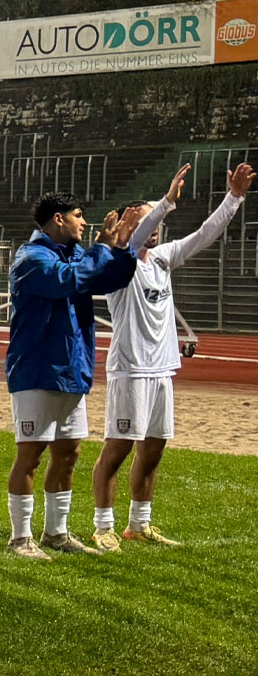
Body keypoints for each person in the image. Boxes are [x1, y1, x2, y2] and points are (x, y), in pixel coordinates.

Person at [92, 163, 252, 548]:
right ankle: (102, 527)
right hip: (131, 371)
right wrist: (164, 202)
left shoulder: (162, 259)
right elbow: (134, 240)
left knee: (153, 449)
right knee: (118, 449)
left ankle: (139, 524)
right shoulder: (120, 263)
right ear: (133, 227)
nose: (156, 230)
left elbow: (204, 235)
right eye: (149, 223)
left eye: (158, 224)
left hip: (163, 370)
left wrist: (235, 198)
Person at [3, 189, 146, 560]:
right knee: (31, 455)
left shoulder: (75, 255)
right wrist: (101, 248)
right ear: (59, 220)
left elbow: (110, 279)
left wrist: (123, 248)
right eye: (79, 215)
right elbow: (67, 281)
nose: (85, 222)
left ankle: (57, 533)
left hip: (71, 369)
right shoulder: (31, 257)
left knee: (68, 453)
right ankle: (20, 539)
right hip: (37, 370)